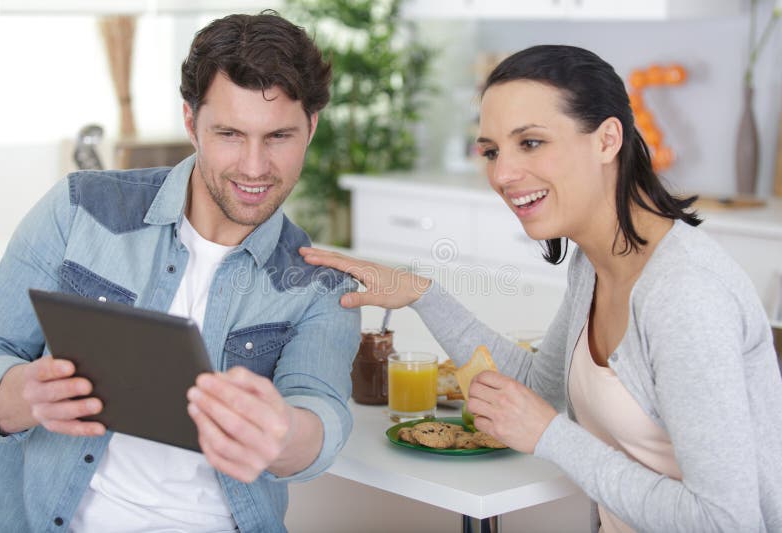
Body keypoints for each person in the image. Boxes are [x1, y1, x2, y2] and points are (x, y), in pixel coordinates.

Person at [300, 45, 782, 532]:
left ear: (607, 140)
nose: (502, 175)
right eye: (491, 151)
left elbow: (727, 522)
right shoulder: (593, 265)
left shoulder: (683, 295)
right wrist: (422, 294)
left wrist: (550, 436)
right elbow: (538, 390)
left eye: (530, 143)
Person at [0, 12, 360, 532]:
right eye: (229, 133)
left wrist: (283, 433)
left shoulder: (319, 284)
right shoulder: (78, 209)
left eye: (278, 137)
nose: (254, 166)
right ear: (191, 123)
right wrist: (21, 395)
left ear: (311, 127)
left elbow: (320, 416)